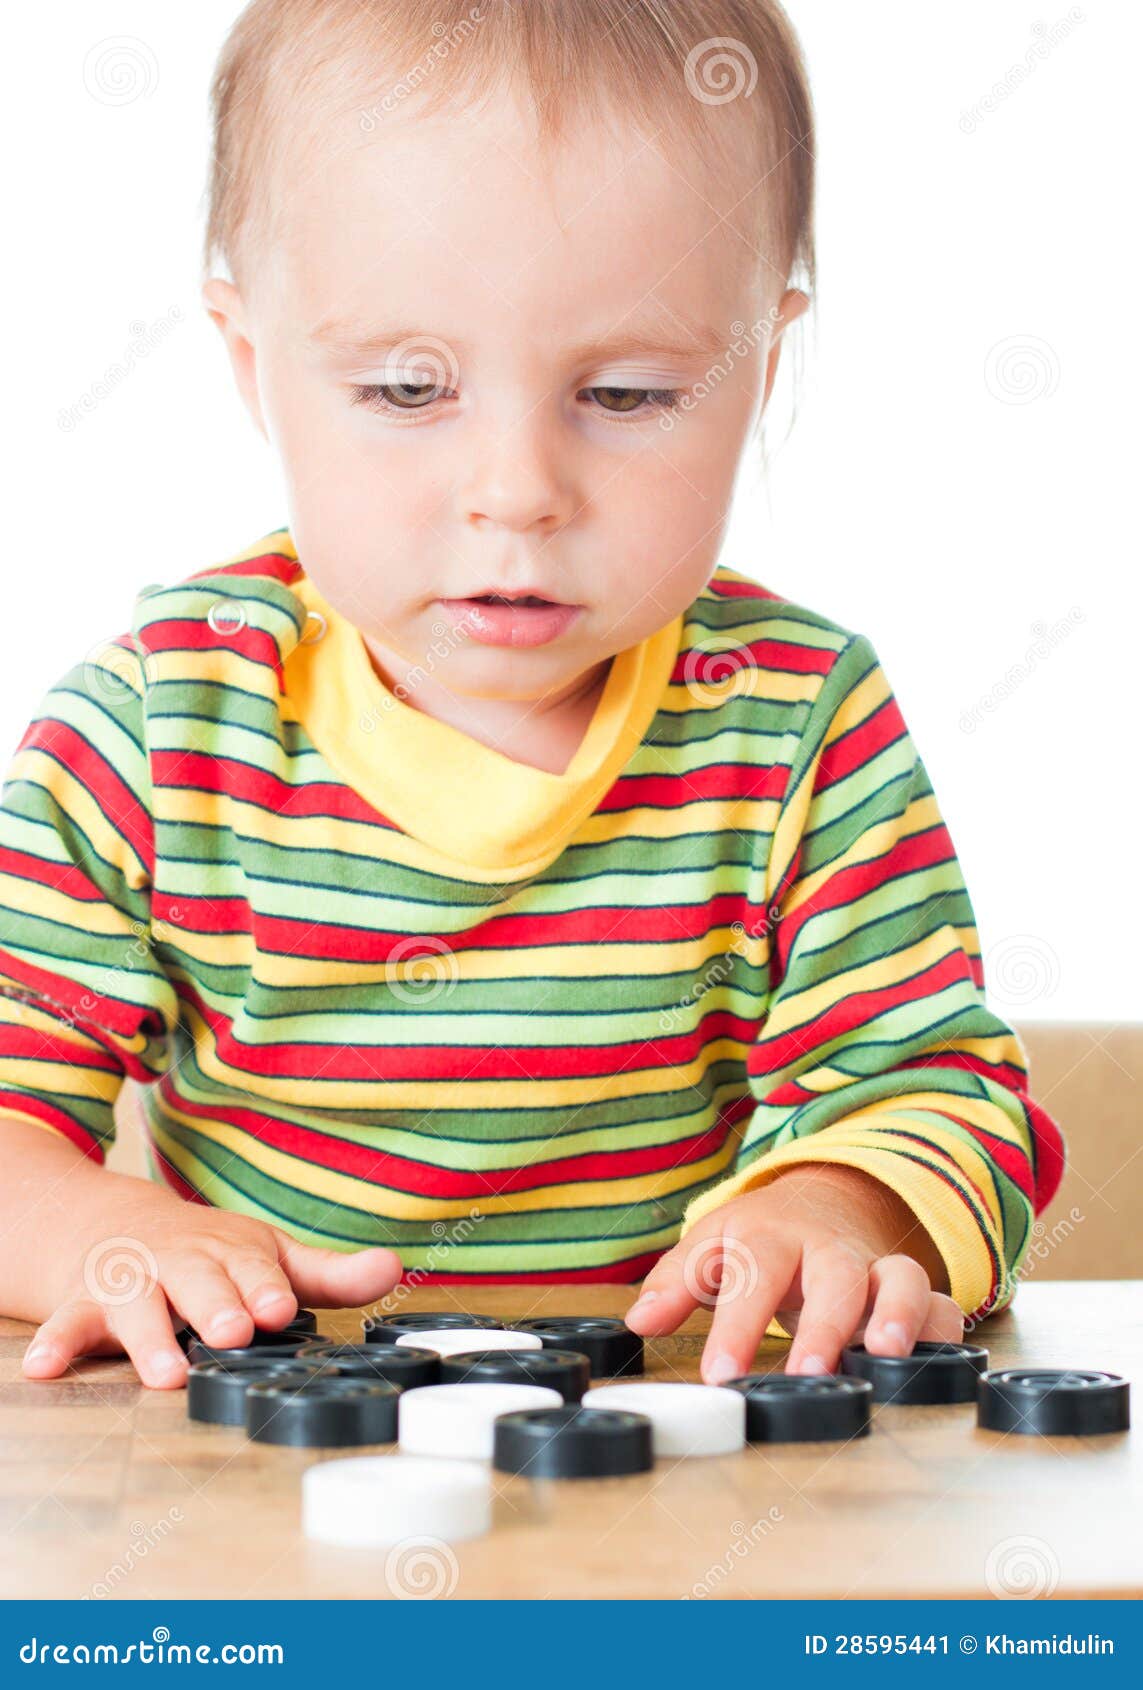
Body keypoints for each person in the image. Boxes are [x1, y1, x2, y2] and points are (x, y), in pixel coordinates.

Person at [0, 0, 1063, 1391]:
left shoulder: (797, 722)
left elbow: (941, 1096)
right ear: (254, 364)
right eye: (403, 387)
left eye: (626, 395)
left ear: (762, 369)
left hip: (675, 1475)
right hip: (271, 1489)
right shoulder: (160, 730)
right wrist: (100, 1233)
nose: (518, 491)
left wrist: (843, 1212)